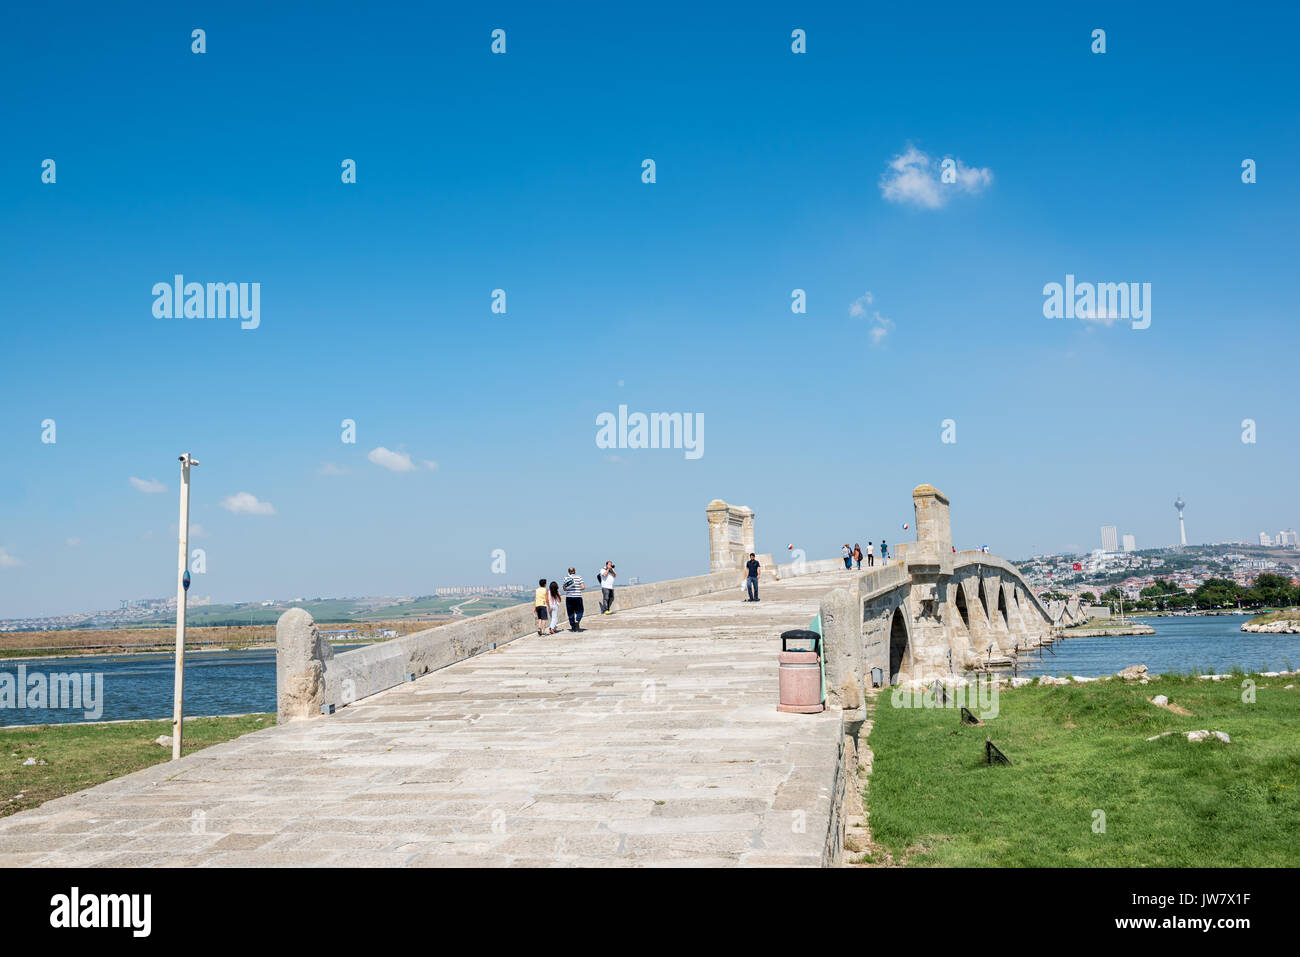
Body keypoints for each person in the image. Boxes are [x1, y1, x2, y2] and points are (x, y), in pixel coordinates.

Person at [562, 567, 586, 631]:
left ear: (568, 571)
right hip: (577, 597)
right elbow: (583, 587)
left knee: (570, 613)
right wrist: (578, 588)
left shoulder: (566, 578)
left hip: (569, 597)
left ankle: (573, 627)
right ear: (574, 571)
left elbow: (564, 589)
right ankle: (577, 620)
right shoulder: (579, 577)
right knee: (580, 611)